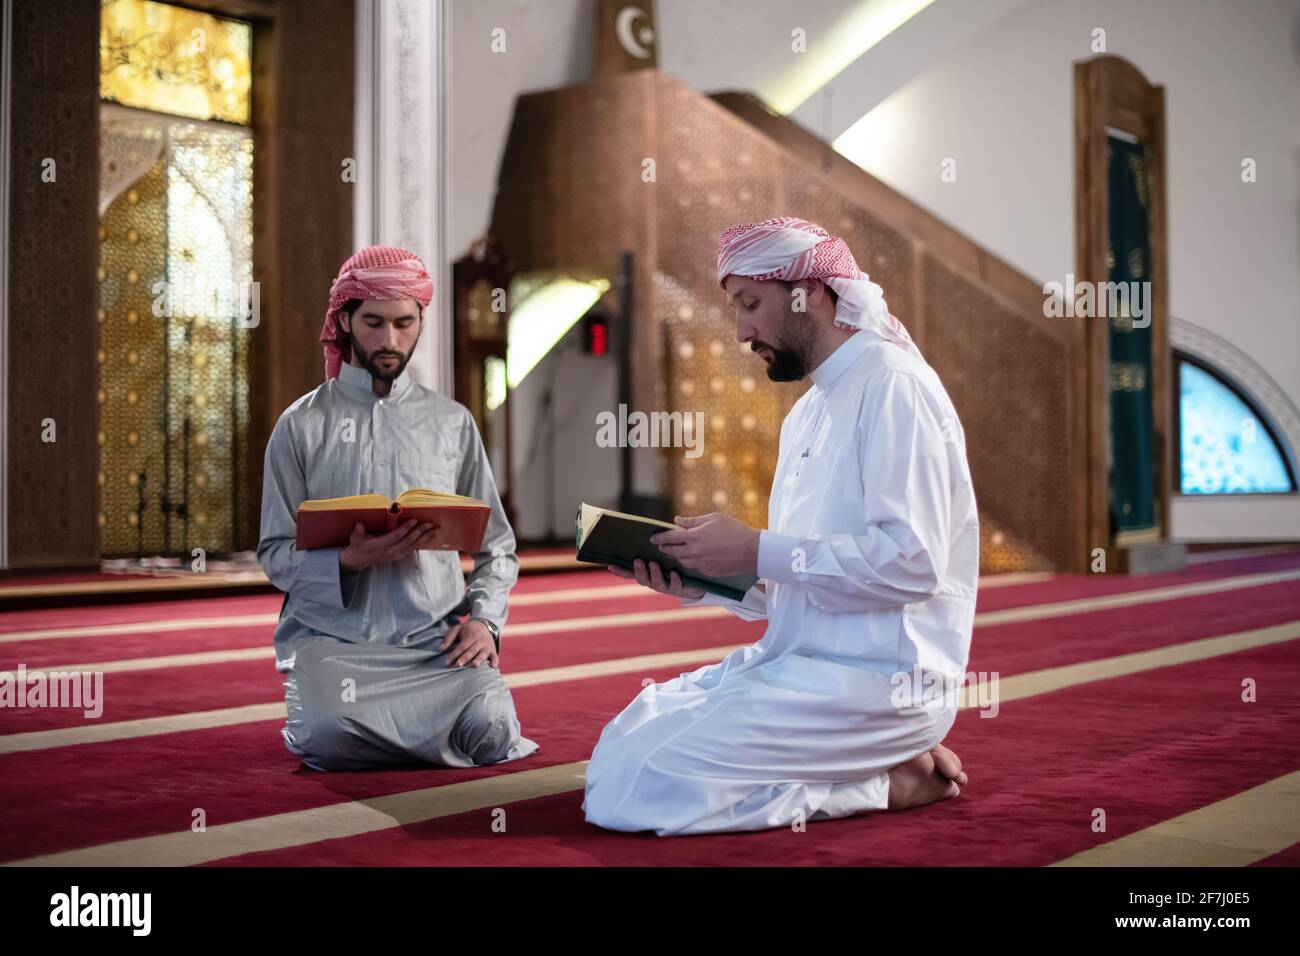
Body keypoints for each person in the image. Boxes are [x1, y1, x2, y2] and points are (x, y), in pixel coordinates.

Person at [582, 218, 977, 835]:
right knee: (628, 737)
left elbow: (912, 563)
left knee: (637, 788)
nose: (741, 331)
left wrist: (758, 548)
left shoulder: (894, 388)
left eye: (750, 304)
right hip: (801, 665)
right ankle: (870, 762)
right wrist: (710, 579)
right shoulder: (808, 414)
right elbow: (804, 577)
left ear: (810, 292)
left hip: (884, 683)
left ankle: (884, 779)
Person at [257, 244, 538, 771]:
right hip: (335, 642)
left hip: (435, 642)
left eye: (404, 324)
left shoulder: (451, 423)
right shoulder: (300, 426)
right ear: (344, 319)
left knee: (493, 732)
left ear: (420, 320)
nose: (390, 341)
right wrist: (346, 560)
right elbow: (274, 553)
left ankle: (403, 733)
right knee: (328, 736)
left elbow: (498, 546)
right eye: (374, 323)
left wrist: (485, 624)